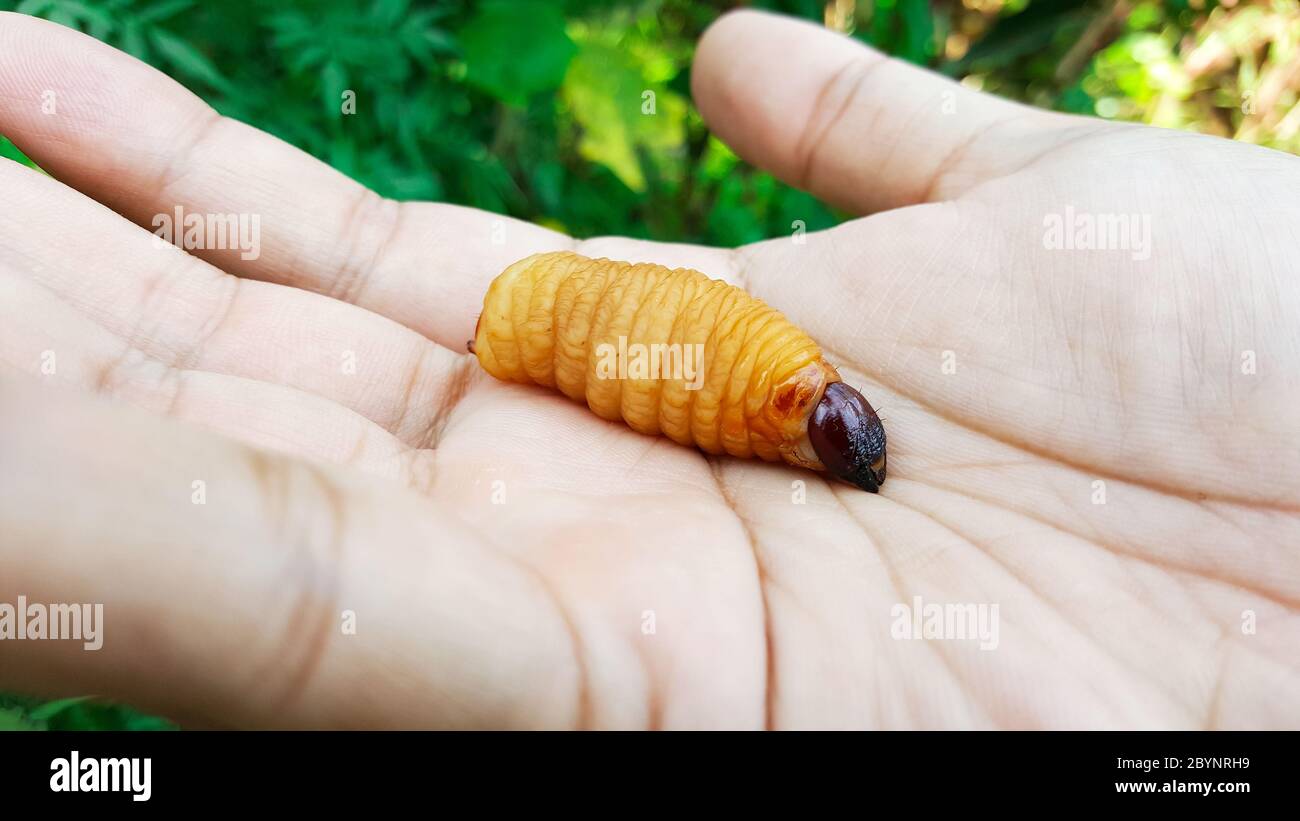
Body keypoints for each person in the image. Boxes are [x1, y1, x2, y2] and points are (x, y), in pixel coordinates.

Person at [0, 9, 1296, 729]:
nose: (828, 433)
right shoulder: (750, 374)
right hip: (541, 315)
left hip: (572, 323)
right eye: (818, 420)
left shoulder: (778, 387)